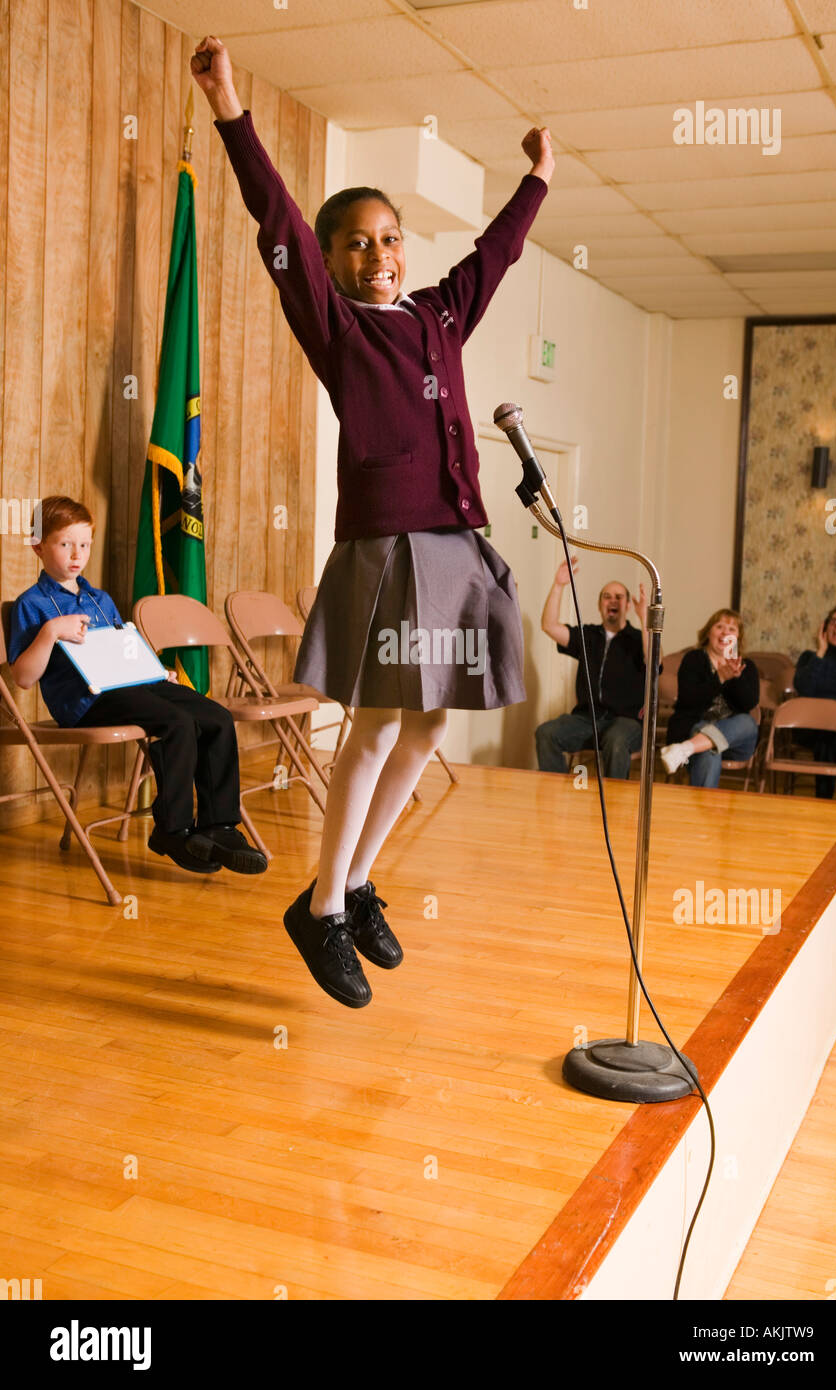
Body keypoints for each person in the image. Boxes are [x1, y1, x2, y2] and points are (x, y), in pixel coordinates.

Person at [192, 36, 554, 1009]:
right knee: (380, 719)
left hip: (452, 545)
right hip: (389, 549)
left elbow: (496, 254)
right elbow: (278, 222)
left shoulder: (440, 316)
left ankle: (353, 881)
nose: (376, 252)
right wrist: (233, 112)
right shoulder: (337, 325)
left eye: (388, 236)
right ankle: (318, 905)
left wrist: (538, 182)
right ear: (336, 262)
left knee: (430, 721)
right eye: (355, 241)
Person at [8, 495, 266, 876]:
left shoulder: (99, 599)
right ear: (38, 545)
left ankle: (220, 826)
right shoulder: (32, 605)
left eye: (84, 544)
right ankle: (172, 829)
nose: (76, 554)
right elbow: (23, 678)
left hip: (132, 684)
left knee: (216, 717)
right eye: (65, 544)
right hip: (86, 703)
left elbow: (123, 647)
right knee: (177, 722)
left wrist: (156, 670)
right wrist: (50, 633)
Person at [535, 555, 652, 778]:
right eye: (607, 597)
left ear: (628, 605)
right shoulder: (588, 635)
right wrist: (558, 585)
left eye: (619, 597)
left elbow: (655, 661)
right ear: (600, 605)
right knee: (546, 733)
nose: (613, 601)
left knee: (616, 741)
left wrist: (645, 617)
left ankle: (612, 807)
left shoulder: (639, 639)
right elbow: (549, 626)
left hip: (626, 723)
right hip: (586, 719)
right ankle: (553, 801)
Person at [661, 608, 759, 787]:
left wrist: (735, 678)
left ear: (738, 638)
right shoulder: (694, 659)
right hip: (693, 730)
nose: (725, 633)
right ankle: (704, 813)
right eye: (719, 626)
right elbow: (689, 700)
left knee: (748, 722)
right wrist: (719, 678)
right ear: (708, 632)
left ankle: (685, 749)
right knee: (709, 744)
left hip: (734, 743)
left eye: (732, 629)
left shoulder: (747, 666)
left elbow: (749, 703)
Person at [793, 605, 836, 799]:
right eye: (834, 621)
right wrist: (821, 652)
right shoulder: (810, 657)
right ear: (825, 626)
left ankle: (823, 799)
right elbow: (805, 688)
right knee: (826, 731)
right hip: (812, 725)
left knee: (834, 732)